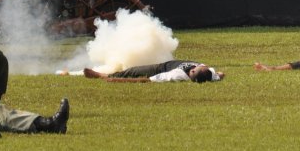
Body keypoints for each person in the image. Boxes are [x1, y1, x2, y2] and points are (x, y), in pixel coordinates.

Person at [83, 61, 223, 83]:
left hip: (159, 68)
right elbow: (220, 74)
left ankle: (103, 75)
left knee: (133, 71)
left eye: (195, 70)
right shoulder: (210, 74)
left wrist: (118, 80)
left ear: (192, 72)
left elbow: (146, 80)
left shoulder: (176, 76)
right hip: (168, 62)